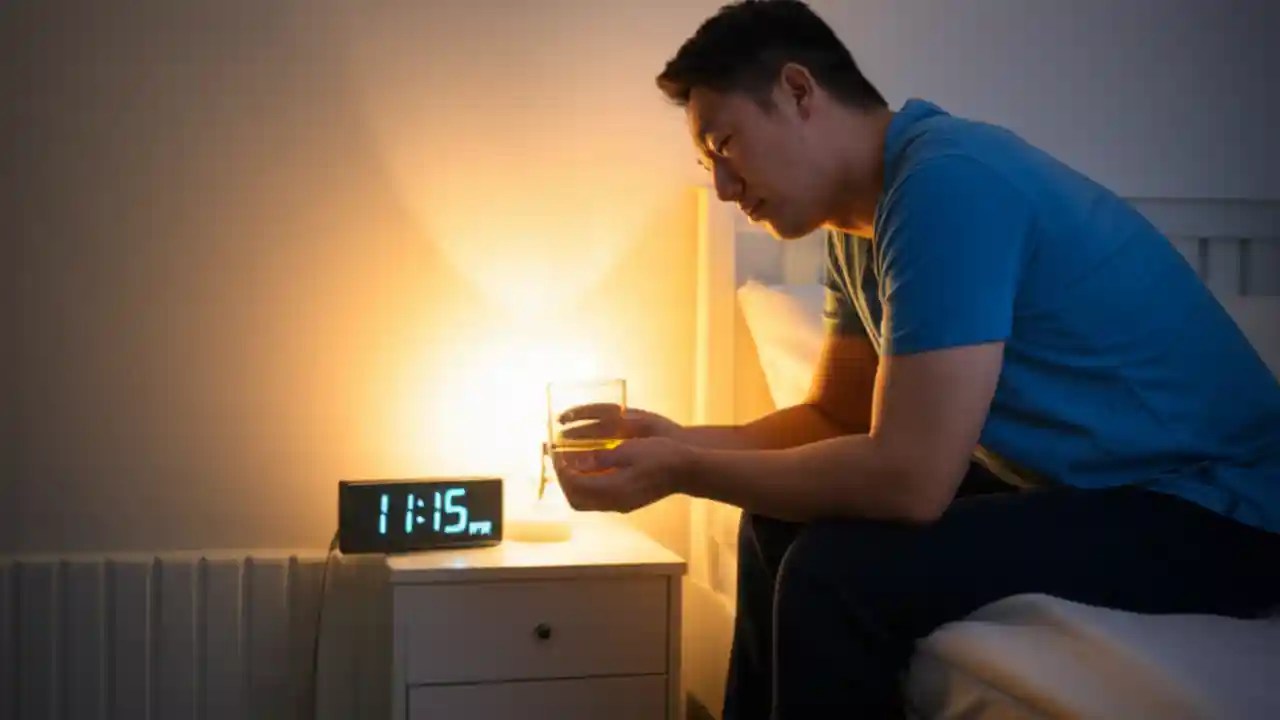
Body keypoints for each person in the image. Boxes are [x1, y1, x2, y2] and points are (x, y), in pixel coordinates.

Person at [551, 1, 1280, 718]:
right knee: (773, 520)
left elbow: (910, 480)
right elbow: (833, 418)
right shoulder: (858, 227)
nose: (722, 186)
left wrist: (687, 472)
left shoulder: (947, 182)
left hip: (1218, 512)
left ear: (798, 91)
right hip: (1108, 493)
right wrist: (673, 440)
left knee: (834, 575)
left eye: (725, 145)